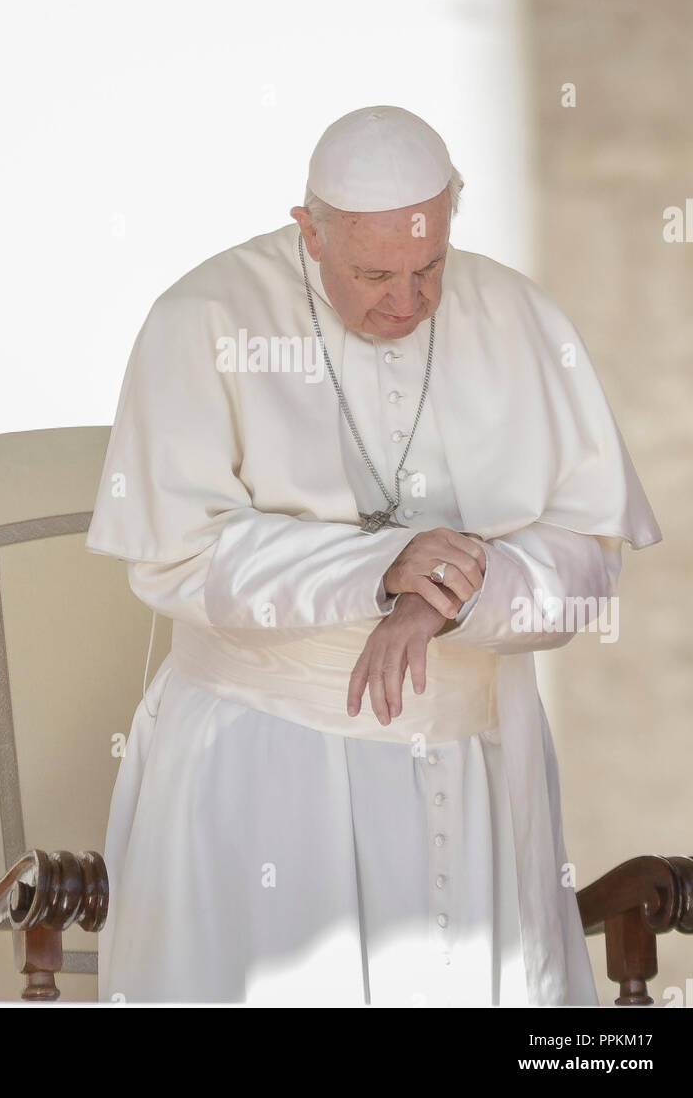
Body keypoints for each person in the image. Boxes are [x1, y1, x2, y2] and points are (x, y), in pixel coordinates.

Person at [86, 105, 661, 1006]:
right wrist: (381, 567)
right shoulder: (202, 318)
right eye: (372, 272)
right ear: (306, 231)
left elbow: (589, 565)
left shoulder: (517, 314)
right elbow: (177, 558)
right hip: (265, 764)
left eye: (429, 265)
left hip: (476, 766)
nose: (408, 301)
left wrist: (448, 594)